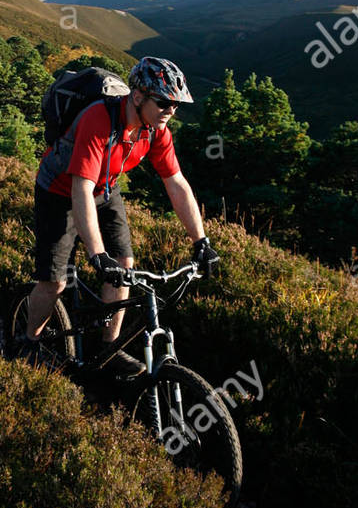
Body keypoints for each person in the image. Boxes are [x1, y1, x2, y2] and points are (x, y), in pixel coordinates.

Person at [22, 56, 219, 373]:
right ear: (138, 97)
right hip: (60, 191)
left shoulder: (155, 131)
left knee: (125, 265)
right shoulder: (98, 120)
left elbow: (176, 184)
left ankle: (109, 348)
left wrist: (201, 241)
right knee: (54, 282)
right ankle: (29, 341)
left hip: (105, 188)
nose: (171, 111)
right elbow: (80, 190)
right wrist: (97, 253)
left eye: (176, 105)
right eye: (164, 102)